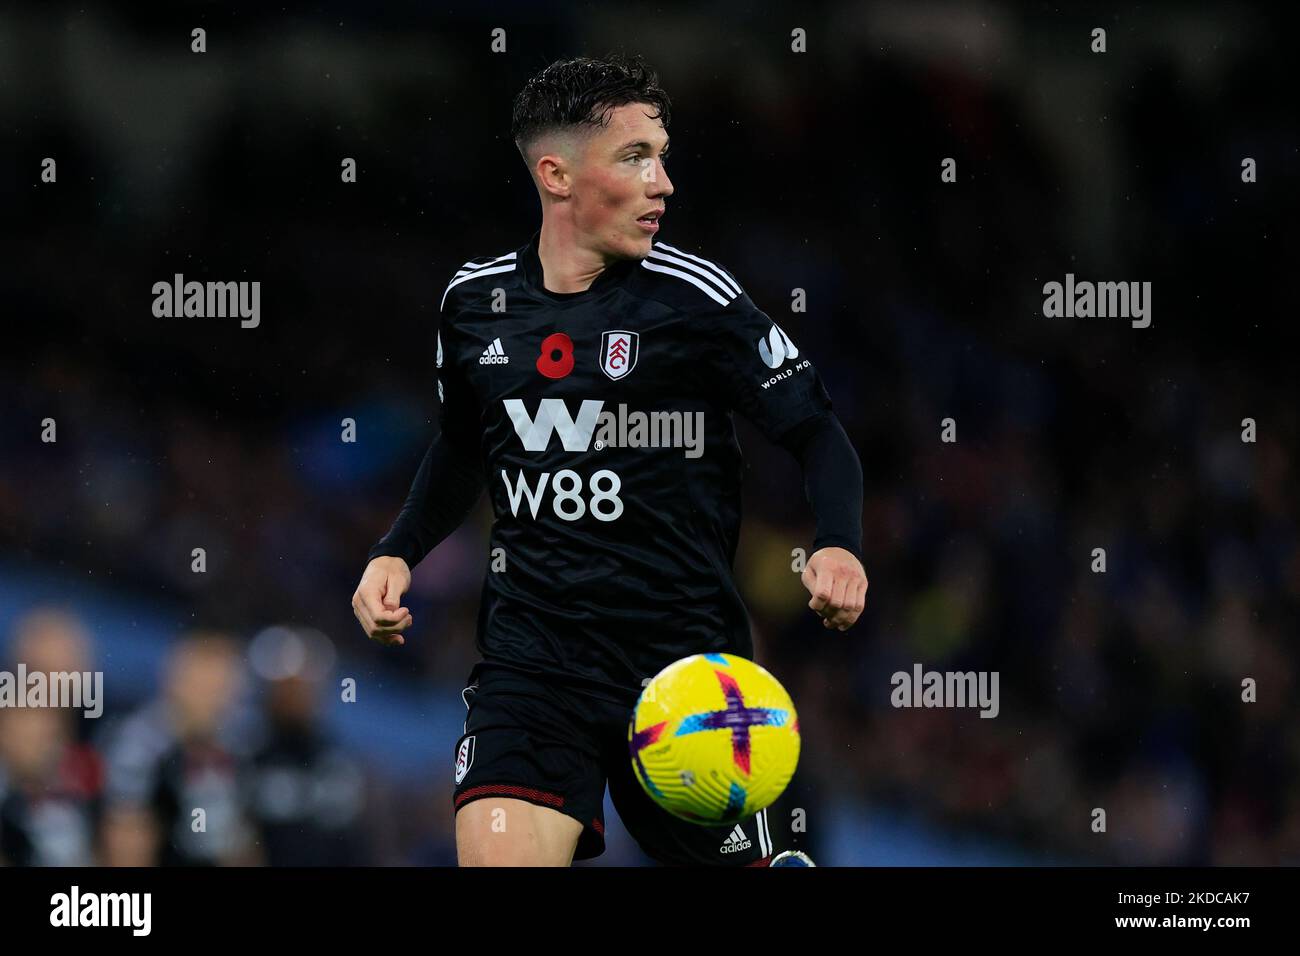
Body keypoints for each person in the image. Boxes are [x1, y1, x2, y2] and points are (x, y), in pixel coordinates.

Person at [352, 54, 866, 866]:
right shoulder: (474, 304)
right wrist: (397, 550)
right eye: (636, 157)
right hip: (533, 669)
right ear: (556, 174)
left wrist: (838, 539)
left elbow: (816, 431)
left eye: (662, 156)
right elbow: (461, 445)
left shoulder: (695, 299)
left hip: (686, 675)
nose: (663, 182)